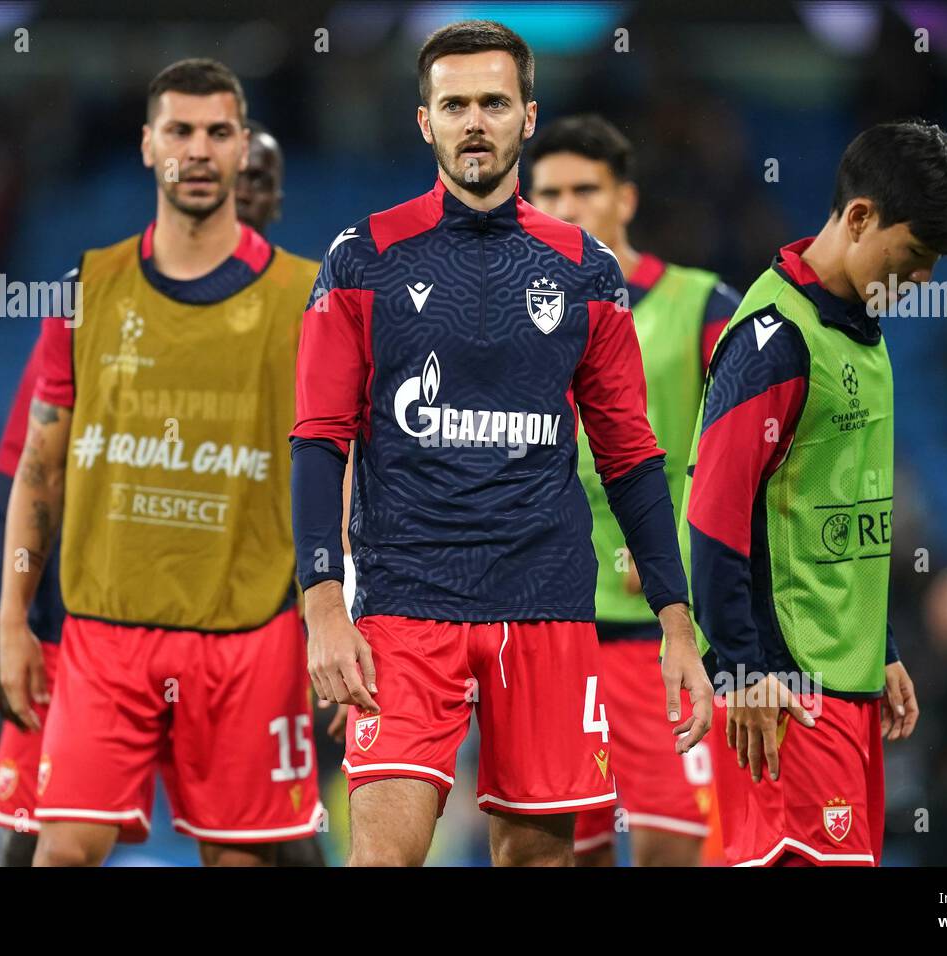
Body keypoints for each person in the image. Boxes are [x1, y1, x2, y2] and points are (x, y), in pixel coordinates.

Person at [290, 19, 713, 867]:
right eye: (454, 105)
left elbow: (630, 455)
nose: (473, 121)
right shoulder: (361, 257)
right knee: (382, 860)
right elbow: (318, 440)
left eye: (492, 102)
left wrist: (677, 623)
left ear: (527, 116)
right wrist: (323, 604)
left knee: (541, 862)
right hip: (406, 606)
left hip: (548, 608)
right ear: (425, 122)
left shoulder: (587, 271)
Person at [0, 58, 323, 867]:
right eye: (180, 130)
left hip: (248, 631)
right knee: (58, 850)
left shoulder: (308, 299)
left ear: (245, 146)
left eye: (219, 131)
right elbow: (40, 469)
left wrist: (340, 618)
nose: (200, 150)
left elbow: (347, 475)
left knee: (243, 859)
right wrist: (11, 619)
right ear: (147, 145)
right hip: (105, 632)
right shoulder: (87, 288)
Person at [684, 119, 947, 866]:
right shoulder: (773, 341)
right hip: (786, 692)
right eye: (915, 255)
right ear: (859, 218)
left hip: (842, 688)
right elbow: (713, 516)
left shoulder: (862, 332)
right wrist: (742, 669)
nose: (922, 281)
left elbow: (844, 516)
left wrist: (876, 647)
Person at [527, 113, 740, 867]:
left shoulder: (704, 306)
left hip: (664, 632)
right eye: (547, 190)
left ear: (626, 199)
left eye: (586, 188)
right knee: (565, 846)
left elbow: (756, 449)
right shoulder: (502, 320)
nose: (566, 205)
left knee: (674, 843)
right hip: (548, 630)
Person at [0, 340, 66, 866]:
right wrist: (7, 623)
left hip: (224, 619)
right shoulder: (83, 308)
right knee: (31, 828)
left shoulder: (270, 308)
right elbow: (18, 476)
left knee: (262, 829)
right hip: (65, 626)